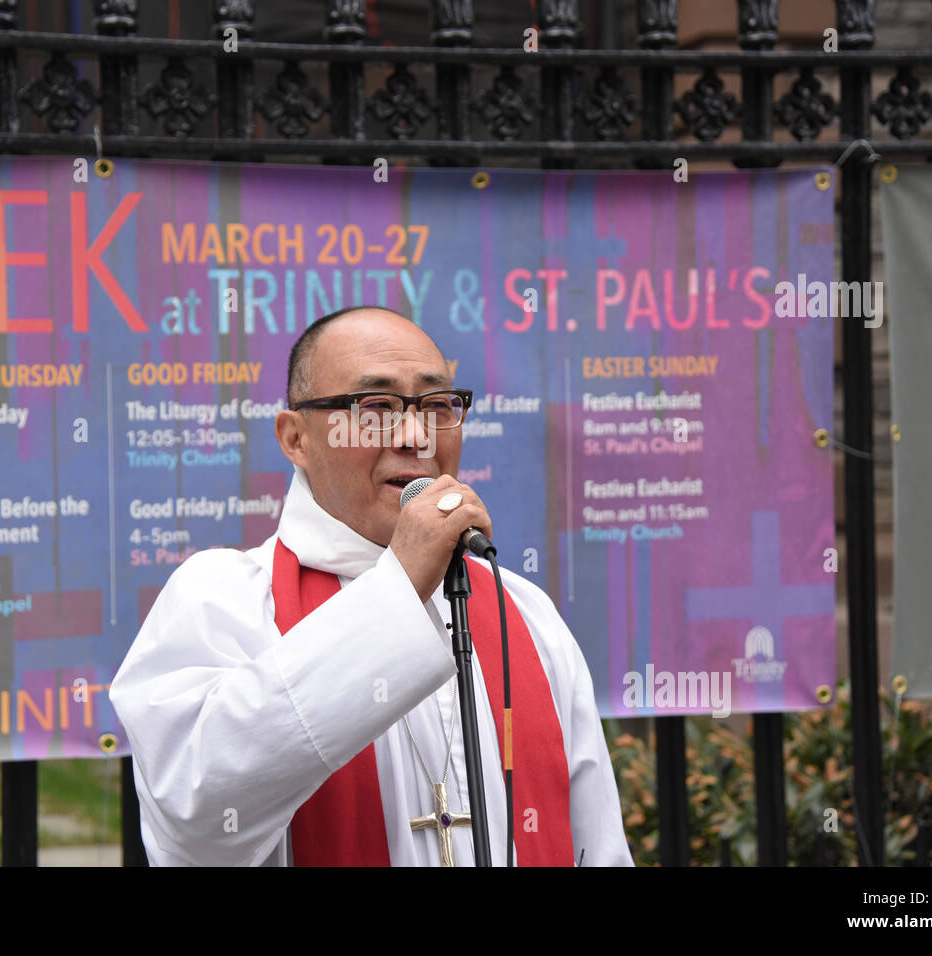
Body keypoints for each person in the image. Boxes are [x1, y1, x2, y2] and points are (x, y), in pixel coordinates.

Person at [109, 306, 633, 867]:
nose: (415, 436)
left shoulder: (523, 612)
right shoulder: (221, 599)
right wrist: (400, 586)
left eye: (436, 406)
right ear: (296, 437)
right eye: (376, 407)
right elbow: (196, 819)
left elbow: (597, 845)